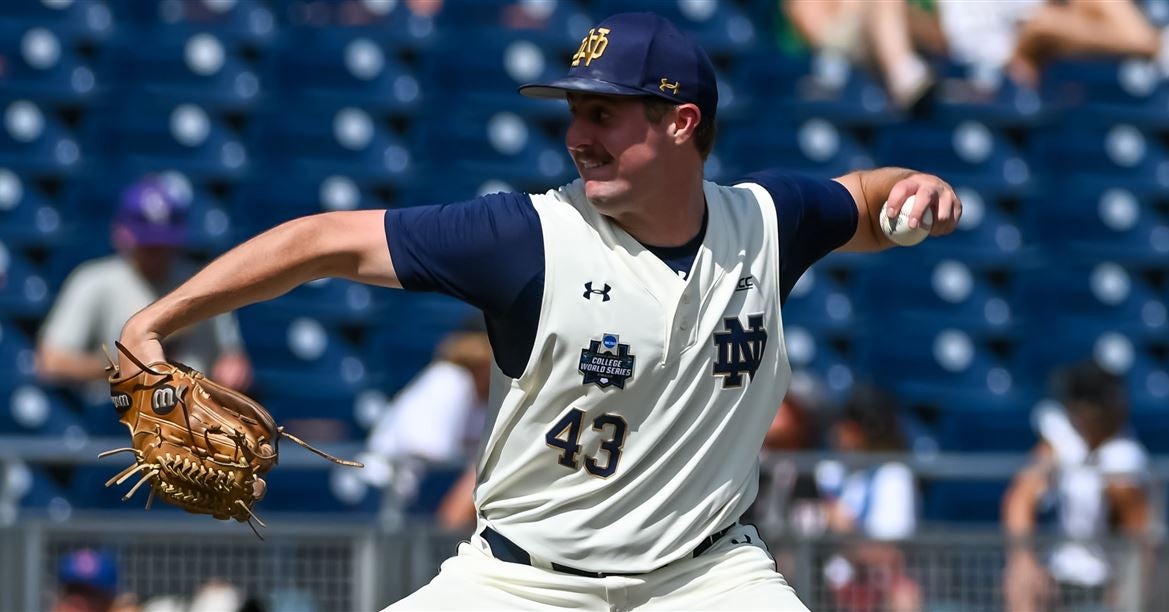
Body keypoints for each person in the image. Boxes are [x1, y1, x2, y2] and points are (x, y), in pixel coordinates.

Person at [114, 13, 961, 610]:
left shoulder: (769, 222)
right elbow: (321, 241)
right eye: (573, 112)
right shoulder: (526, 236)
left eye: (603, 112)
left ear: (680, 123)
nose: (576, 135)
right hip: (521, 580)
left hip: (706, 578)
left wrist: (913, 186)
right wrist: (153, 323)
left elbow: (863, 197)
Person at [36, 176, 252, 391]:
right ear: (121, 234)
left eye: (163, 243)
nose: (156, 252)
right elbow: (51, 361)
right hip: (122, 407)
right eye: (147, 243)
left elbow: (232, 359)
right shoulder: (94, 280)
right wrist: (127, 367)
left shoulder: (206, 280)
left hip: (195, 405)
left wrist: (231, 370)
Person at [1002, 361, 1151, 612]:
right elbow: (1020, 498)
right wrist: (1023, 560)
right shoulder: (1062, 440)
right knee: (1019, 583)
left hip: (1104, 583)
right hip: (1058, 577)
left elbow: (1139, 536)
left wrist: (1127, 589)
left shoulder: (1125, 457)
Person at [815, 385, 922, 612]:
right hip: (820, 587)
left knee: (904, 595)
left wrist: (845, 532)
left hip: (870, 592)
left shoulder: (893, 476)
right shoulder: (829, 471)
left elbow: (889, 556)